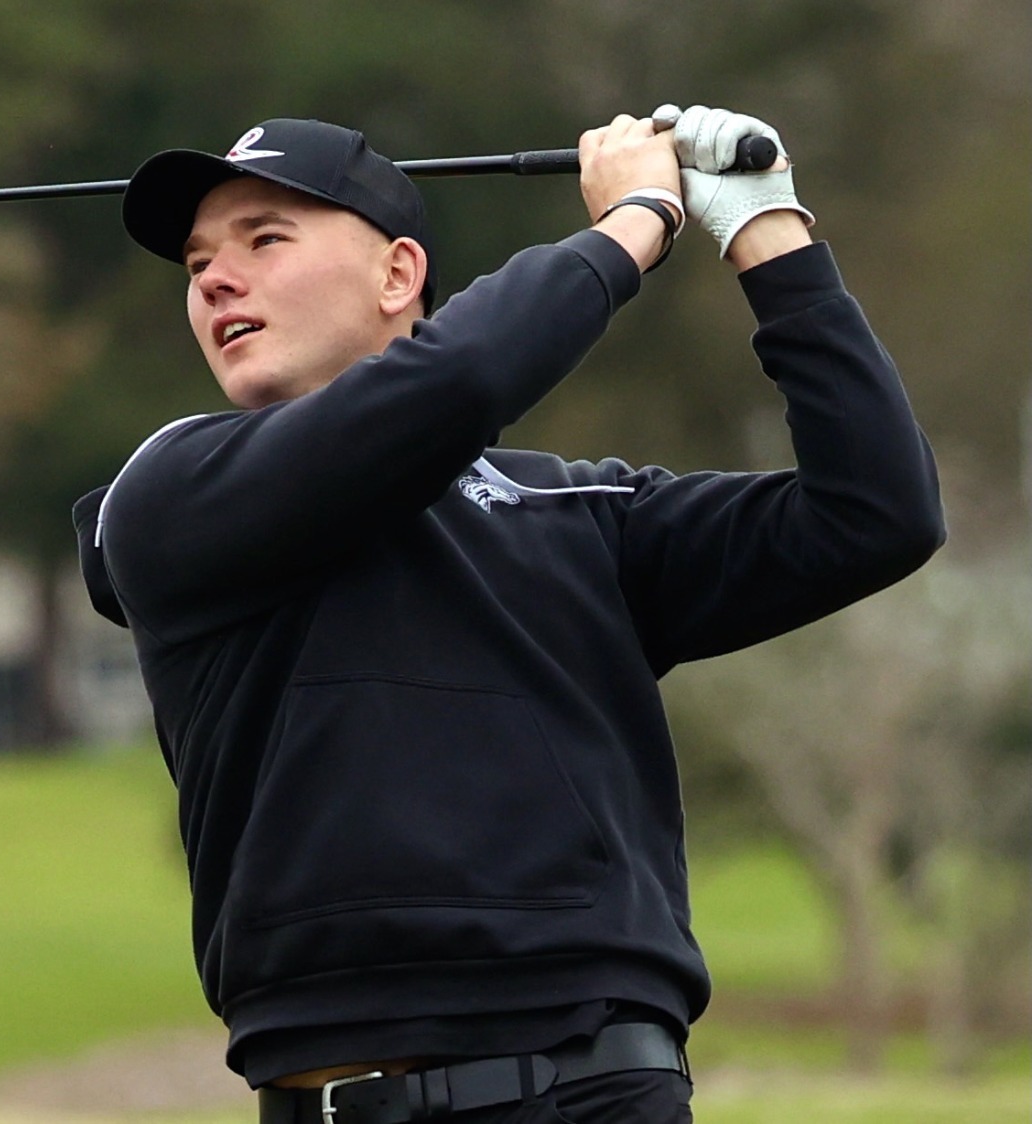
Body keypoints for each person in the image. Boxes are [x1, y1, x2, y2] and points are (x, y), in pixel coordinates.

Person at [70, 108, 945, 1124]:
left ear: (398, 275)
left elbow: (874, 510)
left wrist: (763, 228)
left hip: (594, 1088)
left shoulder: (577, 512)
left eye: (264, 239)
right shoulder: (171, 493)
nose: (214, 279)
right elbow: (457, 379)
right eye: (195, 263)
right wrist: (633, 222)